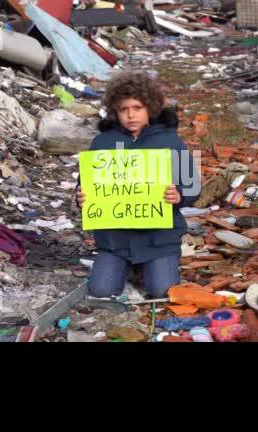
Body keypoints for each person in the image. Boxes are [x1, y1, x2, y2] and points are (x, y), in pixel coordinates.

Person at [77, 71, 200, 299]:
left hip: (159, 240)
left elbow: (193, 187)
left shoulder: (170, 141)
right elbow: (84, 184)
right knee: (101, 290)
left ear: (150, 108)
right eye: (124, 110)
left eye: (137, 108)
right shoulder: (102, 142)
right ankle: (129, 266)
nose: (130, 115)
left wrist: (179, 196)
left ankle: (149, 267)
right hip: (115, 241)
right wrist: (81, 197)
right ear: (115, 111)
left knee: (161, 291)